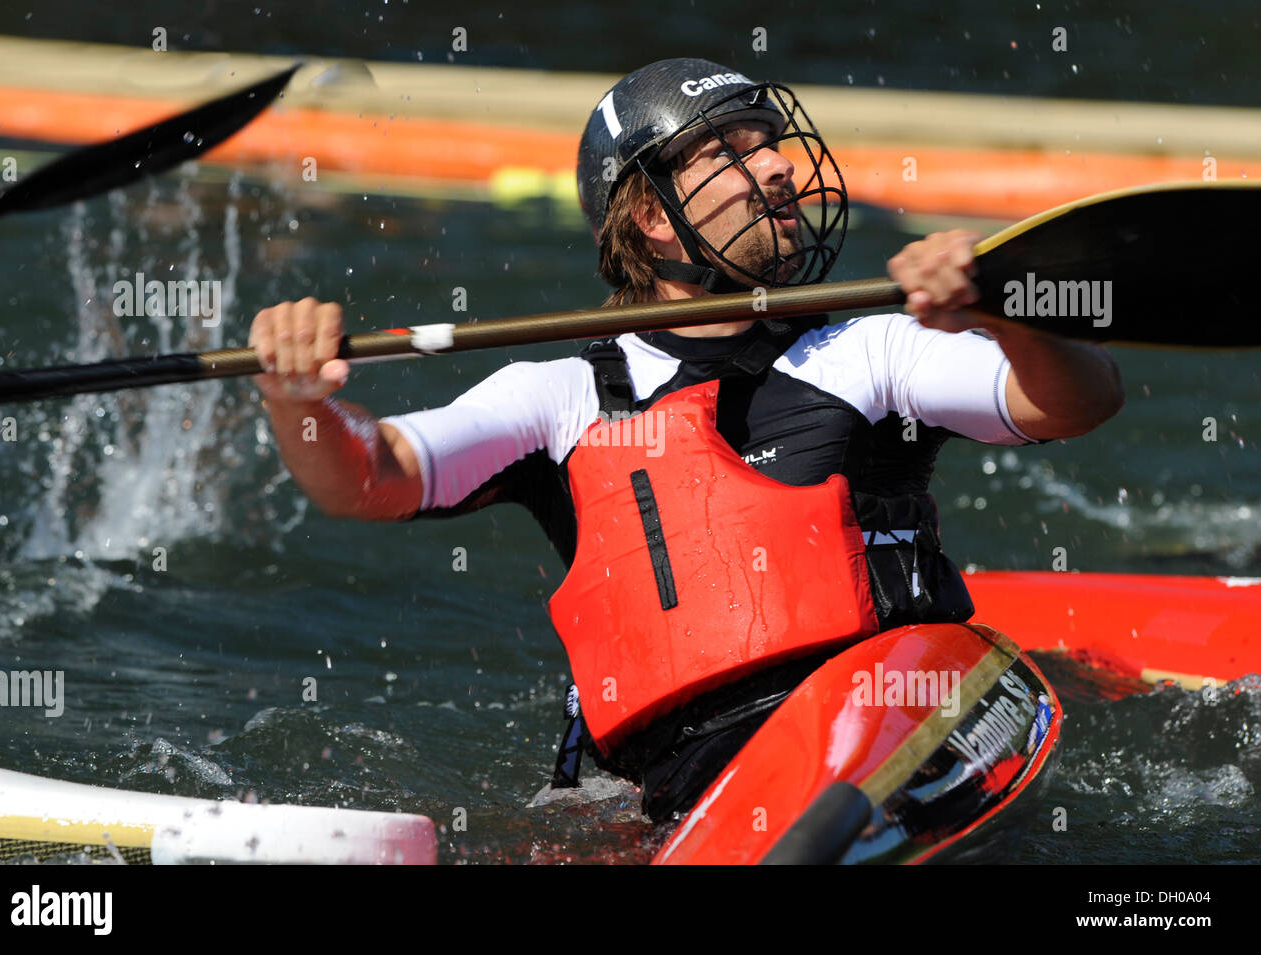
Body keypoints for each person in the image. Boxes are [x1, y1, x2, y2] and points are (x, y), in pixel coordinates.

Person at [249, 58, 1123, 823]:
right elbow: (366, 475)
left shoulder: (872, 349)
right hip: (679, 797)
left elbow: (1077, 401)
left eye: (770, 141)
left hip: (883, 733)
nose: (778, 166)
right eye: (730, 150)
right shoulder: (560, 398)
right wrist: (298, 401)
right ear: (651, 219)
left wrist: (1001, 315)